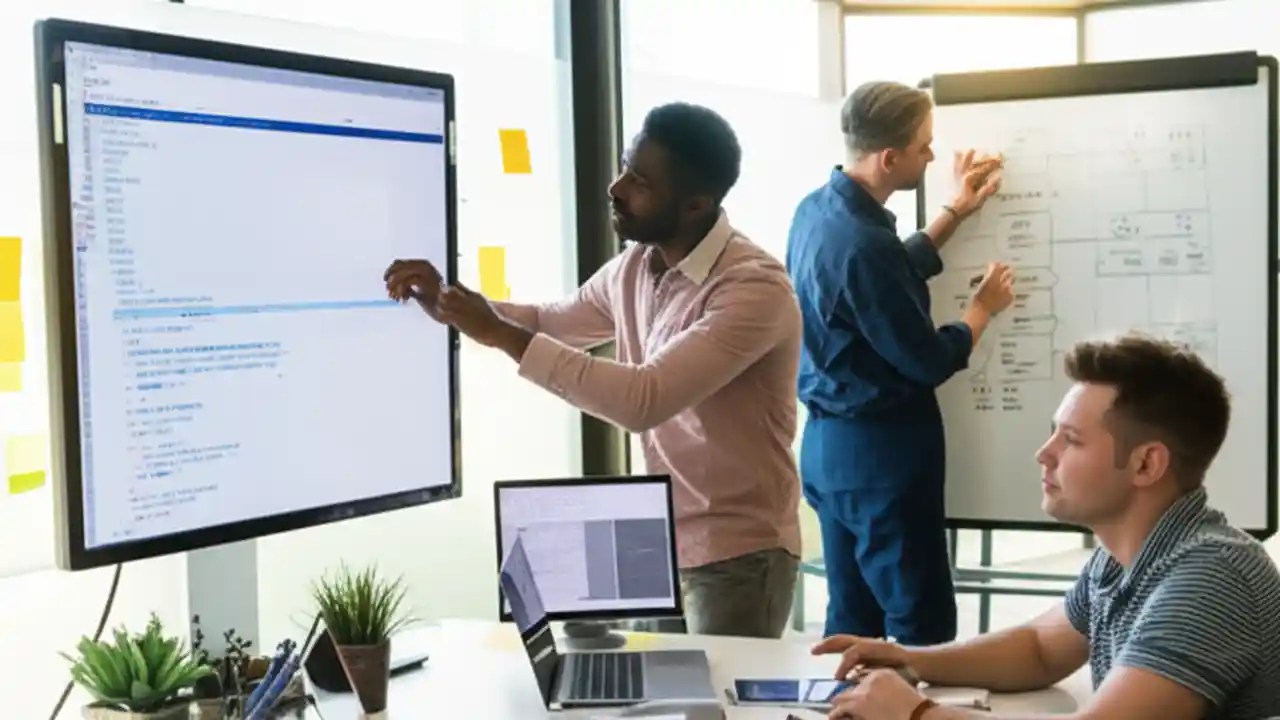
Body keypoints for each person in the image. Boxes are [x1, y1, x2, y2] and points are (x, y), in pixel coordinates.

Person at [384, 102, 803, 638]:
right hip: (659, 540)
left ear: (697, 205)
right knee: (647, 699)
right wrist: (453, 303)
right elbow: (551, 322)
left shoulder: (753, 289)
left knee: (717, 707)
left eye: (641, 181)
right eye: (626, 166)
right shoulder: (638, 265)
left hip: (738, 557)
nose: (616, 187)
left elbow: (642, 399)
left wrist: (499, 334)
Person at [815, 333, 1280, 720]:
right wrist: (912, 659)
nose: (1045, 453)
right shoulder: (1124, 558)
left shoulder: (1213, 577)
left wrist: (917, 714)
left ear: (1146, 464)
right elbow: (1040, 648)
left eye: (1071, 439)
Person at [785, 79, 1014, 644]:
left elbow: (880, 279)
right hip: (882, 455)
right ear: (890, 158)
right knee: (921, 623)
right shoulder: (866, 245)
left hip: (826, 448)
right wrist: (980, 311)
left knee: (851, 620)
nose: (933, 156)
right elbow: (927, 360)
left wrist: (955, 212)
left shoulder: (816, 211)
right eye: (924, 146)